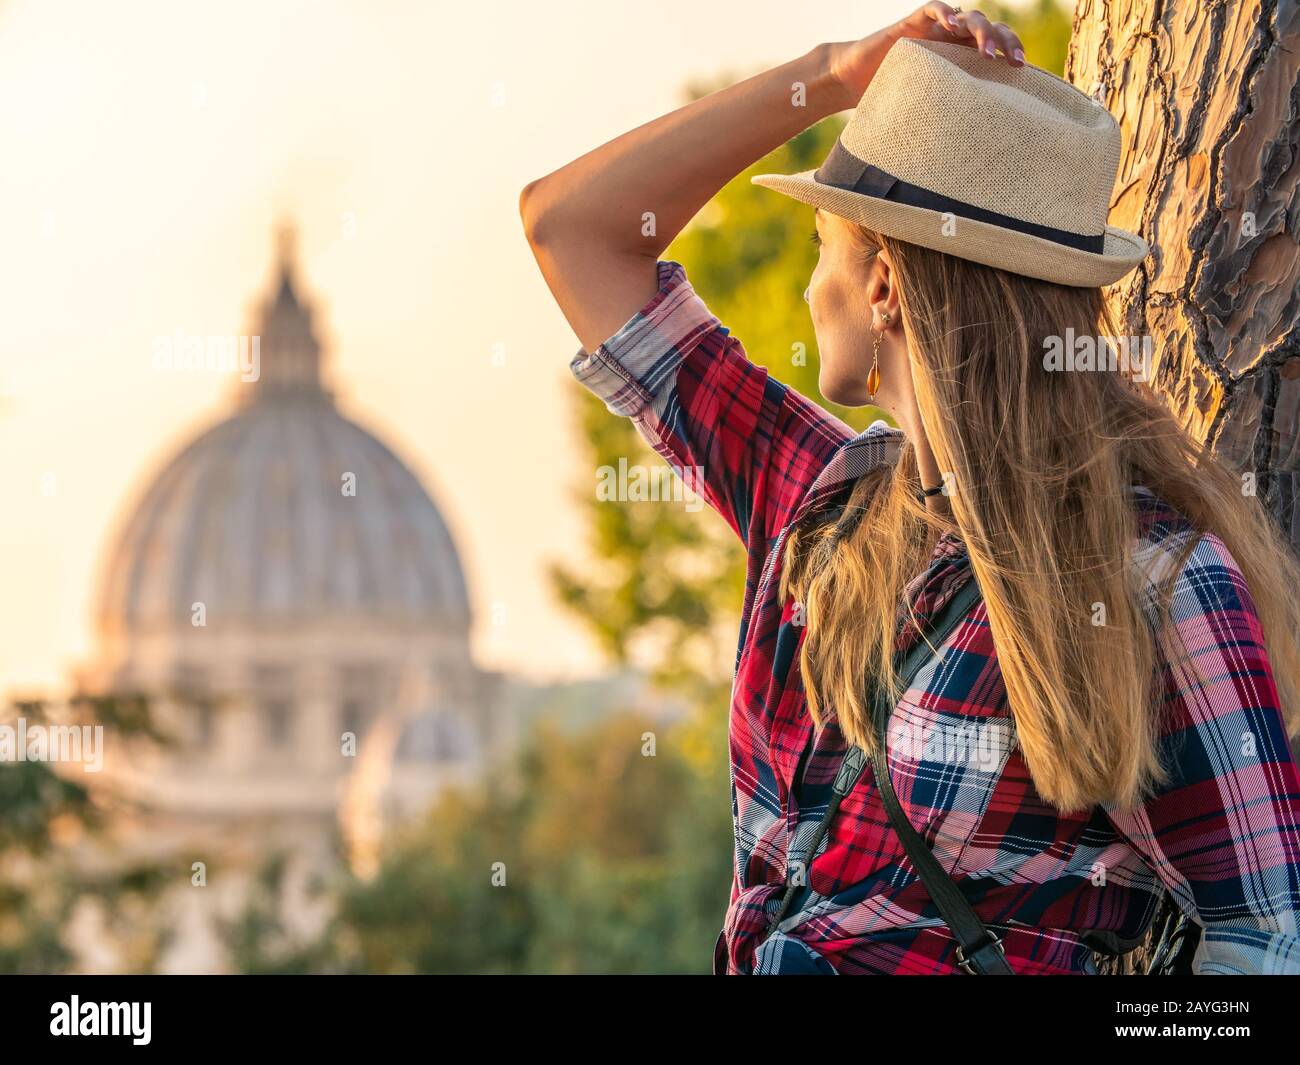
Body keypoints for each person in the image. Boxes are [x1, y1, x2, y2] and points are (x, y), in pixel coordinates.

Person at [519, 3, 1300, 974]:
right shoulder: (815, 500)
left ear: (882, 283)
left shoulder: (1156, 582)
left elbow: (1263, 937)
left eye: (819, 246)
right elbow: (570, 228)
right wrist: (833, 76)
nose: (808, 289)